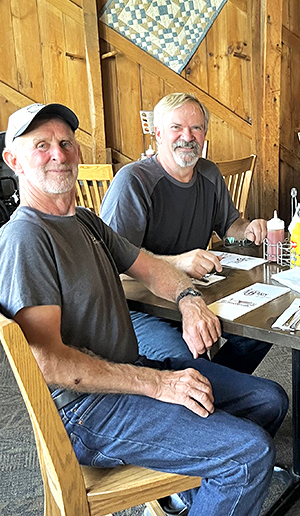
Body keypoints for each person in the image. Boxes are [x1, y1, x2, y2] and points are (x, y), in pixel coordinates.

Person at [0, 102, 288, 516]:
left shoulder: (81, 221)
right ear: (14, 160)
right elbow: (50, 363)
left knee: (267, 400)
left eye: (67, 142)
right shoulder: (25, 239)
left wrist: (192, 299)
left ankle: (190, 508)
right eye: (41, 146)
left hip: (124, 377)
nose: (59, 154)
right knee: (247, 453)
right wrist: (158, 383)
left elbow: (152, 269)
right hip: (87, 411)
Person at [100, 92, 270, 375]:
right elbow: (112, 263)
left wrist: (248, 228)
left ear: (205, 134)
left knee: (264, 326)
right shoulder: (133, 181)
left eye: (196, 128)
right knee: (192, 368)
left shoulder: (209, 173)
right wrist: (179, 262)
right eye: (176, 127)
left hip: (191, 296)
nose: (187, 136)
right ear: (158, 134)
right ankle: (210, 388)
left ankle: (219, 391)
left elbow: (229, 225)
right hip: (137, 310)